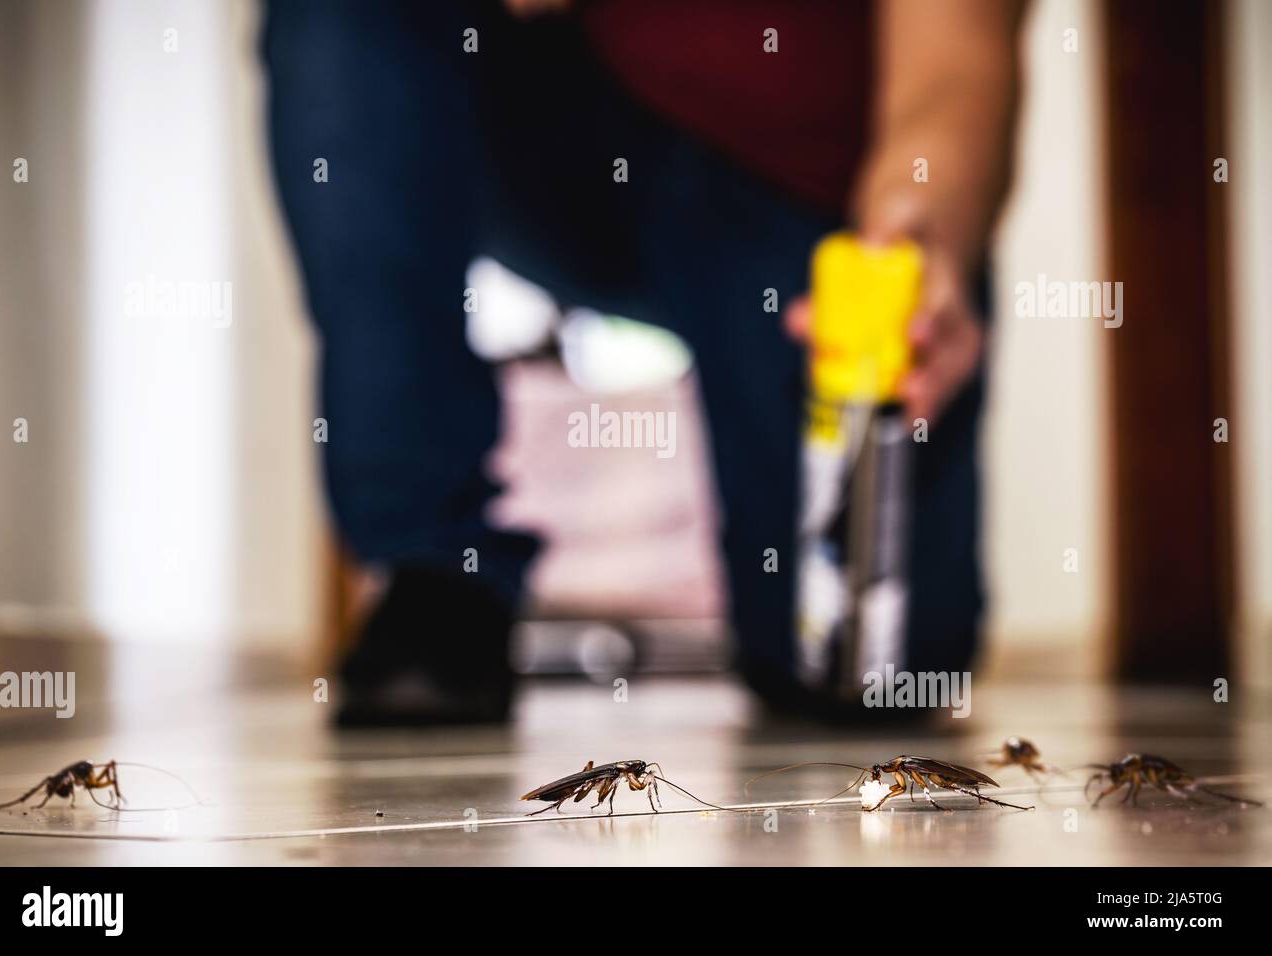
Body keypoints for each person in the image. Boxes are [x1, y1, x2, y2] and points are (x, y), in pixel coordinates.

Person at [263, 0, 1026, 725]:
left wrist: (916, 235)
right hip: (572, 129)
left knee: (875, 669)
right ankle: (432, 575)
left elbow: (958, 57)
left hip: (801, 200)